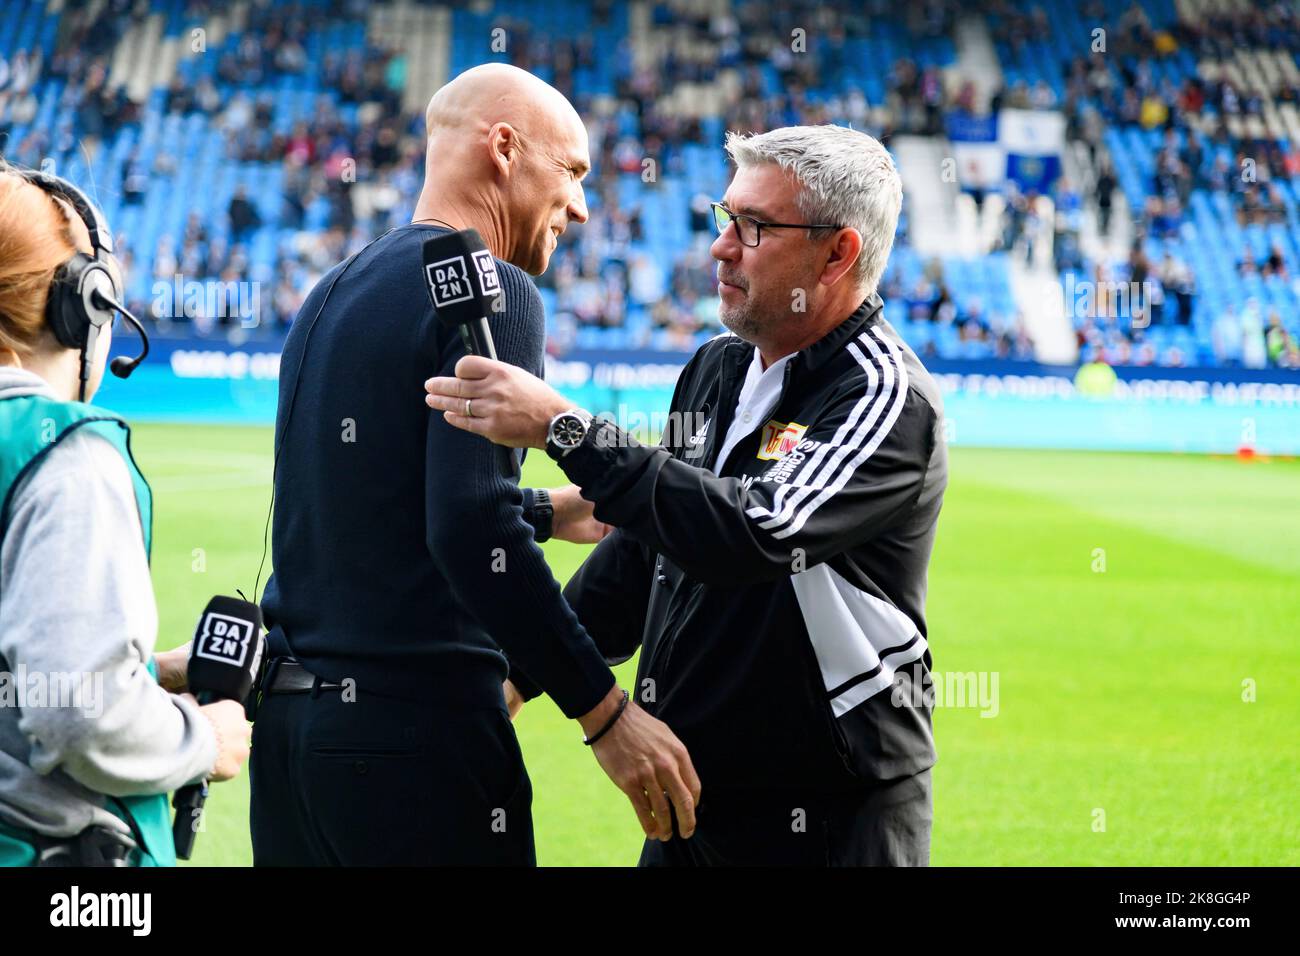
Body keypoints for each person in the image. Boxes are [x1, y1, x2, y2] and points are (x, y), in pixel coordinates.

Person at [426, 124, 947, 866]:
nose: (721, 246)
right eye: (724, 217)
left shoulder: (883, 395)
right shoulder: (716, 369)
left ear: (839, 254)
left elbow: (758, 535)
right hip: (688, 799)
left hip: (829, 818)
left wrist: (566, 430)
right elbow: (646, 554)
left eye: (755, 226)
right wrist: (514, 680)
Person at [251, 64, 699, 866]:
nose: (583, 206)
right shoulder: (492, 289)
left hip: (292, 747)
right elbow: (466, 524)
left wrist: (541, 511)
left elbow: (368, 497)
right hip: (415, 744)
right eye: (571, 171)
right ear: (503, 149)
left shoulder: (328, 293)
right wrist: (605, 712)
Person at [0, 161, 251, 867]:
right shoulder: (66, 457)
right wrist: (203, 739)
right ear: (86, 303)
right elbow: (77, 715)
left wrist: (142, 678)